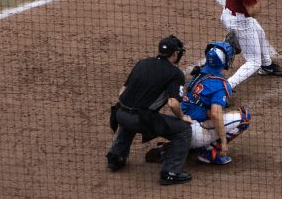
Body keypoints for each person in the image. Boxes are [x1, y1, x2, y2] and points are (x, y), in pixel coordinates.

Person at [105, 35, 194, 185]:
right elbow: (173, 104)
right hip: (139, 119)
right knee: (183, 130)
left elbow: (122, 91)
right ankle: (171, 172)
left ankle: (115, 157)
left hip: (119, 113)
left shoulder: (143, 63)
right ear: (175, 54)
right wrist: (182, 117)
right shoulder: (175, 74)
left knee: (131, 115)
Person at [154, 41, 252, 166]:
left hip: (177, 126)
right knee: (244, 117)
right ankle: (211, 153)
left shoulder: (198, 73)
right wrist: (223, 142)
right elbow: (216, 115)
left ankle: (178, 146)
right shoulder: (219, 84)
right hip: (194, 131)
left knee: (208, 113)